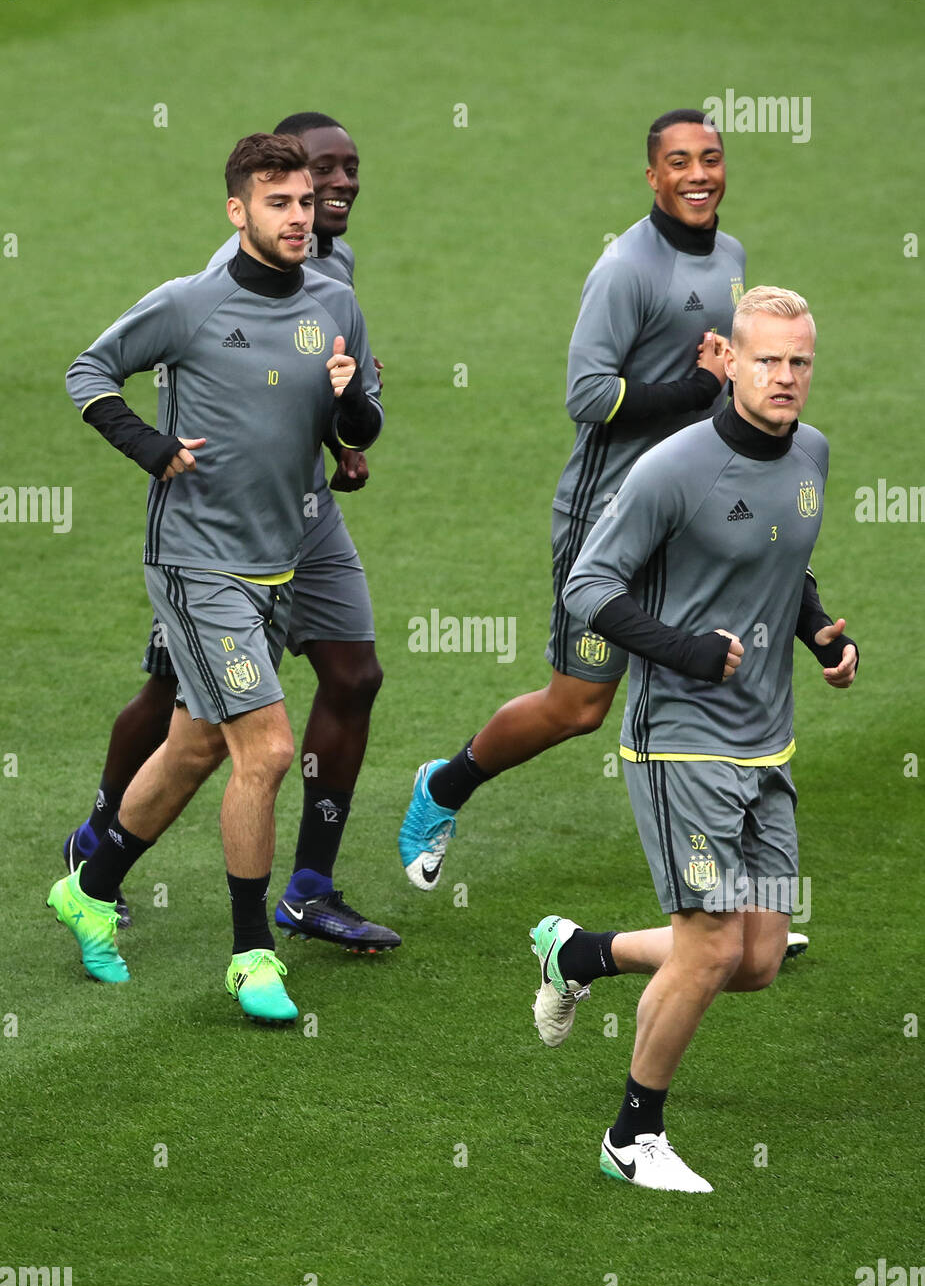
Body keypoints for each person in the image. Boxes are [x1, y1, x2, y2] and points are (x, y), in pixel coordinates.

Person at [48, 133, 384, 1024]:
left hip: (284, 559)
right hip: (197, 563)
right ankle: (251, 953)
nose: (300, 219)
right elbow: (87, 371)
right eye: (279, 204)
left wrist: (350, 403)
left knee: (199, 744)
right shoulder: (190, 305)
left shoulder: (336, 300)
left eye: (306, 203)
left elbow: (362, 430)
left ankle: (91, 886)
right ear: (238, 212)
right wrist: (150, 447)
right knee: (267, 751)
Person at [530, 286, 858, 1191]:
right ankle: (632, 1137)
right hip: (680, 738)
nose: (784, 378)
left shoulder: (812, 456)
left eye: (798, 363)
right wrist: (683, 652)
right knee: (709, 944)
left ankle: (579, 952)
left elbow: (782, 563)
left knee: (753, 961)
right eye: (767, 361)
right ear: (732, 361)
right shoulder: (674, 468)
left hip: (767, 741)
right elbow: (588, 588)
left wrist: (823, 634)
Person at [398, 108, 743, 891]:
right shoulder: (626, 268)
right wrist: (699, 386)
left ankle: (732, 903)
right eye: (679, 162)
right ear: (652, 175)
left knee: (706, 687)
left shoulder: (730, 256)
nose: (698, 175)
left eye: (711, 158)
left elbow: (719, 370)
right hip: (610, 519)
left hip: (693, 512)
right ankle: (443, 786)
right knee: (578, 706)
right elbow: (587, 395)